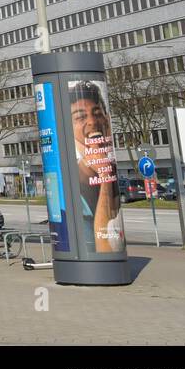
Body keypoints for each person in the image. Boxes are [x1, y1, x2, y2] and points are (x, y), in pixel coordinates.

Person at [69, 80, 123, 253]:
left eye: (97, 112)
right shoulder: (72, 189)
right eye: (80, 117)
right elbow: (107, 248)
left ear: (106, 118)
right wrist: (104, 174)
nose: (92, 122)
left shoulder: (113, 172)